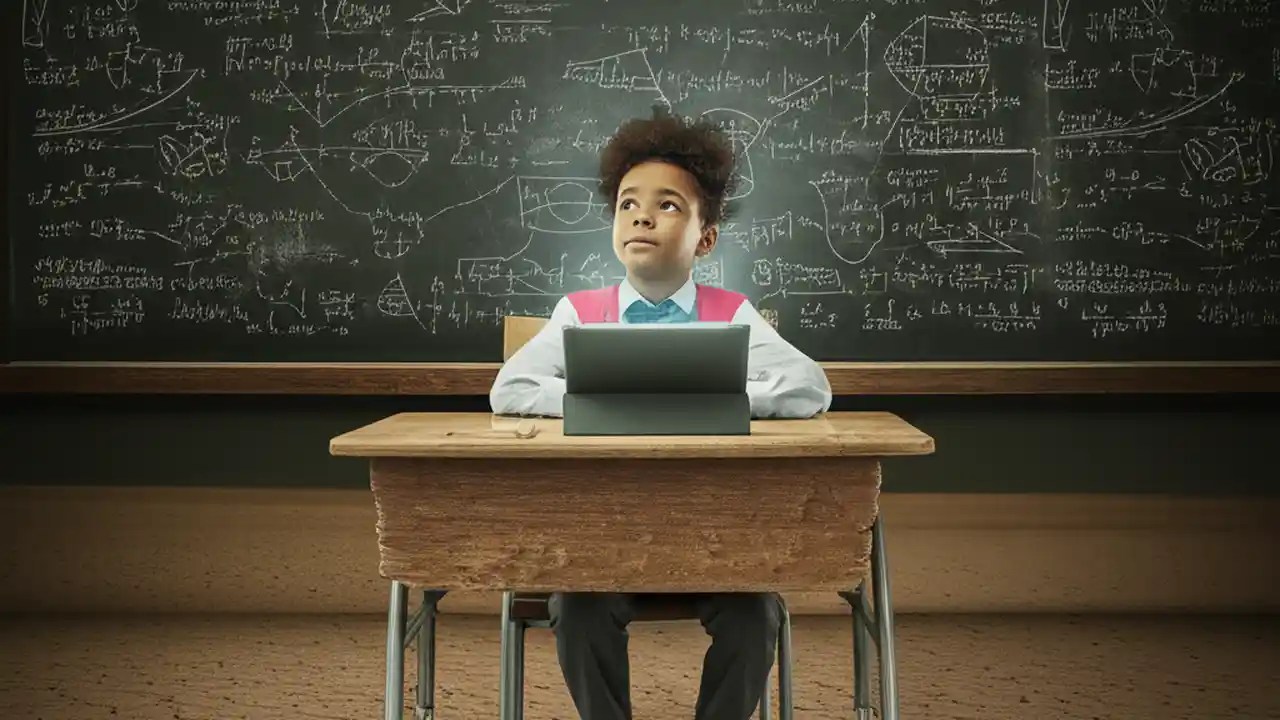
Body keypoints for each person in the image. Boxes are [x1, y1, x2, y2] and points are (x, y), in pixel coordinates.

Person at [489, 108, 832, 720]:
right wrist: (603, 404)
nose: (643, 215)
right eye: (628, 204)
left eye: (669, 205)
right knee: (578, 608)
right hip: (602, 536)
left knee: (757, 612)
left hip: (714, 537)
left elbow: (809, 388)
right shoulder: (578, 310)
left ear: (705, 237)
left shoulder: (731, 311)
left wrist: (714, 402)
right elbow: (509, 388)